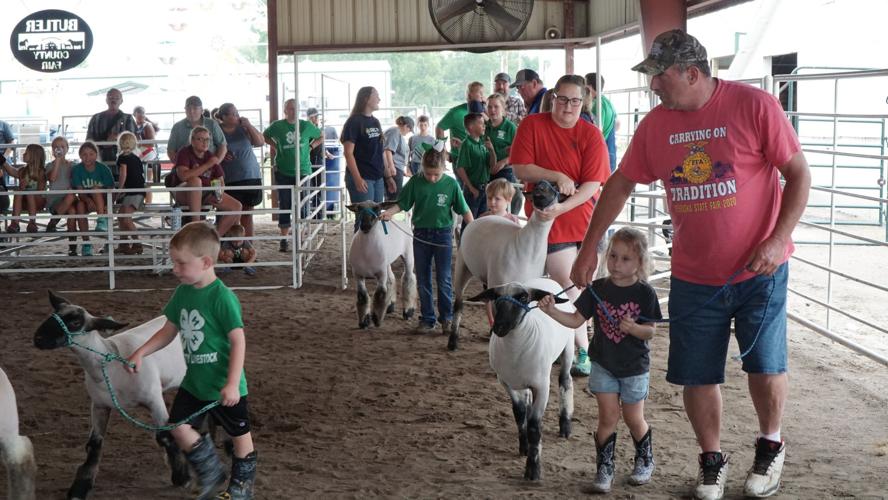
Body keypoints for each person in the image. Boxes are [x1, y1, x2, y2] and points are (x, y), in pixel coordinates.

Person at [569, 30, 812, 500]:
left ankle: (771, 442)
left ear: (691, 73)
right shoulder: (657, 125)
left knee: (764, 365)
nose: (654, 86)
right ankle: (711, 460)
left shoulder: (754, 106)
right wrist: (588, 245)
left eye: (659, 76)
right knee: (696, 373)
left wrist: (778, 239)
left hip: (760, 270)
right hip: (695, 276)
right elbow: (619, 184)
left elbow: (798, 173)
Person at [126, 222, 257, 499]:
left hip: (224, 384)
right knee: (177, 427)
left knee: (240, 436)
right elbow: (168, 330)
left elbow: (238, 340)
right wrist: (141, 351)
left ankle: (241, 487)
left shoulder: (223, 298)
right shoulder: (183, 293)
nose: (175, 269)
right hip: (195, 383)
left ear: (206, 262)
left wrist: (233, 383)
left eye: (180, 263)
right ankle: (211, 471)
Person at [540, 227, 661, 492]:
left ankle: (644, 458)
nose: (617, 264)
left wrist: (634, 329)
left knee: (633, 418)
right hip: (603, 364)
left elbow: (651, 330)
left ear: (640, 262)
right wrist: (551, 311)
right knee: (607, 417)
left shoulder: (645, 293)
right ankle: (604, 469)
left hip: (634, 367)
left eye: (626, 259)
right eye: (613, 256)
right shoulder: (597, 289)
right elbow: (575, 320)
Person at [511, 74, 611, 378]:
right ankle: (584, 349)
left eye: (575, 100)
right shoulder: (533, 125)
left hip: (585, 221)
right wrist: (556, 176)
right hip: (547, 223)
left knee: (585, 286)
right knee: (567, 284)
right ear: (553, 97)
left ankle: (585, 342)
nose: (568, 106)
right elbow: (519, 167)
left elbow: (593, 182)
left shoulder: (591, 134)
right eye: (563, 98)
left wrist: (563, 207)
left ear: (584, 102)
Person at [381, 147, 474, 334]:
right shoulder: (415, 182)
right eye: (428, 174)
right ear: (422, 168)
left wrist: (474, 231)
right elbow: (403, 203)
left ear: (443, 169)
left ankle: (446, 319)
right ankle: (428, 318)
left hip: (443, 235)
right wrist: (389, 213)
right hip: (421, 234)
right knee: (423, 279)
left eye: (436, 174)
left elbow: (464, 210)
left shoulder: (451, 184)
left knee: (444, 278)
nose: (432, 178)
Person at [264, 99, 323, 251]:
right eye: (289, 108)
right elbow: (264, 135)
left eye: (295, 108)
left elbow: (321, 136)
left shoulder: (306, 125)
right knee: (285, 203)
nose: (292, 111)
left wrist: (311, 146)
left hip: (303, 170)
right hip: (283, 170)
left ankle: (300, 236)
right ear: (285, 110)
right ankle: (284, 238)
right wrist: (275, 146)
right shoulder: (277, 126)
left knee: (302, 203)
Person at [171, 127, 242, 238]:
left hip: (206, 191)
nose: (205, 143)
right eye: (200, 139)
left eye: (207, 139)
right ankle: (196, 224)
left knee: (237, 206)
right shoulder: (184, 152)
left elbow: (220, 180)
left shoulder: (210, 155)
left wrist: (218, 193)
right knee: (195, 181)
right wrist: (207, 165)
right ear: (192, 140)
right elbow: (184, 176)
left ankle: (215, 238)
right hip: (184, 190)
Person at [217, 103, 265, 238]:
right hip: (228, 177)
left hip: (250, 174)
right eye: (233, 114)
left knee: (247, 212)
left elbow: (260, 142)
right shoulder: (217, 130)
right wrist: (221, 153)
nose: (237, 116)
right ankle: (233, 247)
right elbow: (212, 150)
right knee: (232, 214)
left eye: (237, 113)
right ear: (223, 117)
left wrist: (249, 125)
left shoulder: (244, 128)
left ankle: (248, 246)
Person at [341, 87, 393, 210]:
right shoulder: (354, 122)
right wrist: (357, 178)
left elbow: (380, 152)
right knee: (365, 218)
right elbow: (348, 153)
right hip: (363, 176)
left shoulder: (375, 121)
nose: (379, 99)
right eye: (376, 95)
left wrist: (388, 176)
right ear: (366, 99)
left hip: (377, 177)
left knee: (376, 217)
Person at [478, 178, 520, 327]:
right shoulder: (483, 219)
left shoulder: (513, 220)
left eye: (497, 199)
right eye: (489, 198)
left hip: (507, 265)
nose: (492, 202)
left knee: (506, 292)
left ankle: (505, 320)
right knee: (489, 293)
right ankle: (492, 322)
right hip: (489, 264)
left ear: (508, 200)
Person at [71, 142, 115, 256]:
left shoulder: (103, 168)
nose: (88, 157)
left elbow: (111, 189)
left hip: (104, 198)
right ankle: (86, 243)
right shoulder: (77, 170)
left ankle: (101, 220)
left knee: (96, 188)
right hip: (87, 199)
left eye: (91, 154)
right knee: (80, 206)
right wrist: (88, 200)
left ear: (96, 155)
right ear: (80, 155)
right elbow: (80, 191)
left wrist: (107, 205)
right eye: (84, 154)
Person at [455, 113, 495, 223]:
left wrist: (491, 150)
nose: (484, 126)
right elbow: (460, 168)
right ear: (471, 127)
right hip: (474, 188)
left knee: (482, 220)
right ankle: (464, 239)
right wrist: (471, 188)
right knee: (470, 221)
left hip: (485, 186)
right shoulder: (466, 144)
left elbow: (492, 164)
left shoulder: (482, 143)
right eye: (481, 123)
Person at [484, 93, 521, 215]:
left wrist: (504, 161)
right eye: (489, 107)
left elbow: (519, 152)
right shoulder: (483, 126)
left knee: (512, 198)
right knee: (489, 204)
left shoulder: (510, 128)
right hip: (486, 171)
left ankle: (511, 222)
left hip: (505, 170)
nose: (492, 110)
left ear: (503, 108)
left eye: (496, 106)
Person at [436, 81, 486, 168]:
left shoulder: (485, 112)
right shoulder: (456, 113)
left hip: (480, 158)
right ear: (469, 95)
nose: (483, 96)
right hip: (460, 159)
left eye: (483, 93)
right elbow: (440, 127)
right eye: (480, 93)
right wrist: (443, 151)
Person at [167, 96, 227, 164]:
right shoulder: (177, 127)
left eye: (195, 108)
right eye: (188, 108)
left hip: (209, 168)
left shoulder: (212, 124)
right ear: (185, 109)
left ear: (201, 110)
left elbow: (222, 146)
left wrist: (214, 165)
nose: (191, 111)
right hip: (186, 170)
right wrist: (180, 167)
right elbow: (170, 150)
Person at [86, 88, 137, 169]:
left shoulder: (128, 119)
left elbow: (134, 141)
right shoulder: (96, 118)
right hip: (99, 163)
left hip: (123, 165)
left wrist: (118, 138)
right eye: (110, 97)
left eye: (117, 98)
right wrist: (104, 144)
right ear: (106, 100)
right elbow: (89, 141)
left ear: (121, 101)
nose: (114, 100)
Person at [44, 136, 79, 255]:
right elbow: (52, 178)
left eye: (62, 147)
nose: (59, 149)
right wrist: (58, 161)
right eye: (56, 147)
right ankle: (72, 244)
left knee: (72, 209)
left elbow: (76, 181)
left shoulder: (73, 165)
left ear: (67, 149)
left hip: (69, 199)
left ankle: (72, 244)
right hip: (55, 200)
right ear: (52, 150)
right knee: (71, 201)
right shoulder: (49, 165)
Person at [2, 144, 47, 233]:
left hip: (38, 201)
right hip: (25, 203)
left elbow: (40, 192)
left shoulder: (41, 172)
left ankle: (32, 223)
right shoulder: (23, 171)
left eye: (26, 153)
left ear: (34, 157)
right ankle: (15, 223)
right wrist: (3, 161)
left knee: (30, 194)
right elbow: (12, 171)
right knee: (18, 192)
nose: (23, 154)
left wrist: (27, 188)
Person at [115, 132, 146, 254]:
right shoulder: (136, 158)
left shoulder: (122, 158)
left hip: (132, 192)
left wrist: (120, 190)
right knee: (121, 216)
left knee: (125, 218)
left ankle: (137, 243)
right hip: (137, 191)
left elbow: (123, 174)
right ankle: (124, 243)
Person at [585, 73, 619, 172]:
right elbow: (617, 123)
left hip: (602, 152)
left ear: (589, 87)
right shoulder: (607, 102)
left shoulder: (596, 104)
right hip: (610, 150)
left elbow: (597, 129)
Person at [383, 116, 413, 201]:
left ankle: (389, 213)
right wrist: (391, 167)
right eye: (409, 129)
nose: (409, 132)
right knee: (394, 198)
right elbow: (388, 150)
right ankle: (389, 214)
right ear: (406, 126)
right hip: (394, 169)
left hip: (397, 168)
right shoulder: (395, 131)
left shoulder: (396, 133)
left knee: (393, 197)